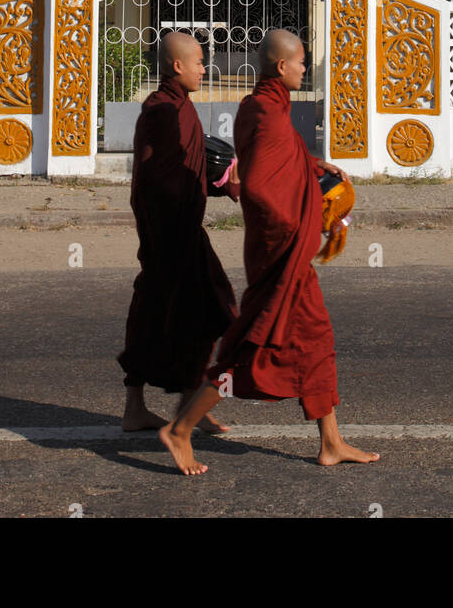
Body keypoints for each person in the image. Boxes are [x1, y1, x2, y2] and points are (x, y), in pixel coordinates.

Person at [159, 28, 380, 474]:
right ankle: (180, 428)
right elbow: (261, 188)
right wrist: (312, 218)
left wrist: (315, 167)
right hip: (280, 252)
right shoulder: (267, 113)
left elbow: (283, 160)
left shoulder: (262, 107)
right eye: (301, 62)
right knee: (253, 347)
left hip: (286, 251)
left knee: (314, 339)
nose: (306, 68)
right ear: (282, 67)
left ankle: (331, 441)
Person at [119, 31, 238, 432]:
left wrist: (220, 182)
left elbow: (187, 169)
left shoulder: (179, 107)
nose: (206, 69)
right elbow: (154, 181)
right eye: (200, 62)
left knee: (204, 312)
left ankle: (189, 402)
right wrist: (159, 238)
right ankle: (137, 408)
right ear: (177, 66)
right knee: (162, 312)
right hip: (169, 234)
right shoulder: (162, 112)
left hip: (185, 229)